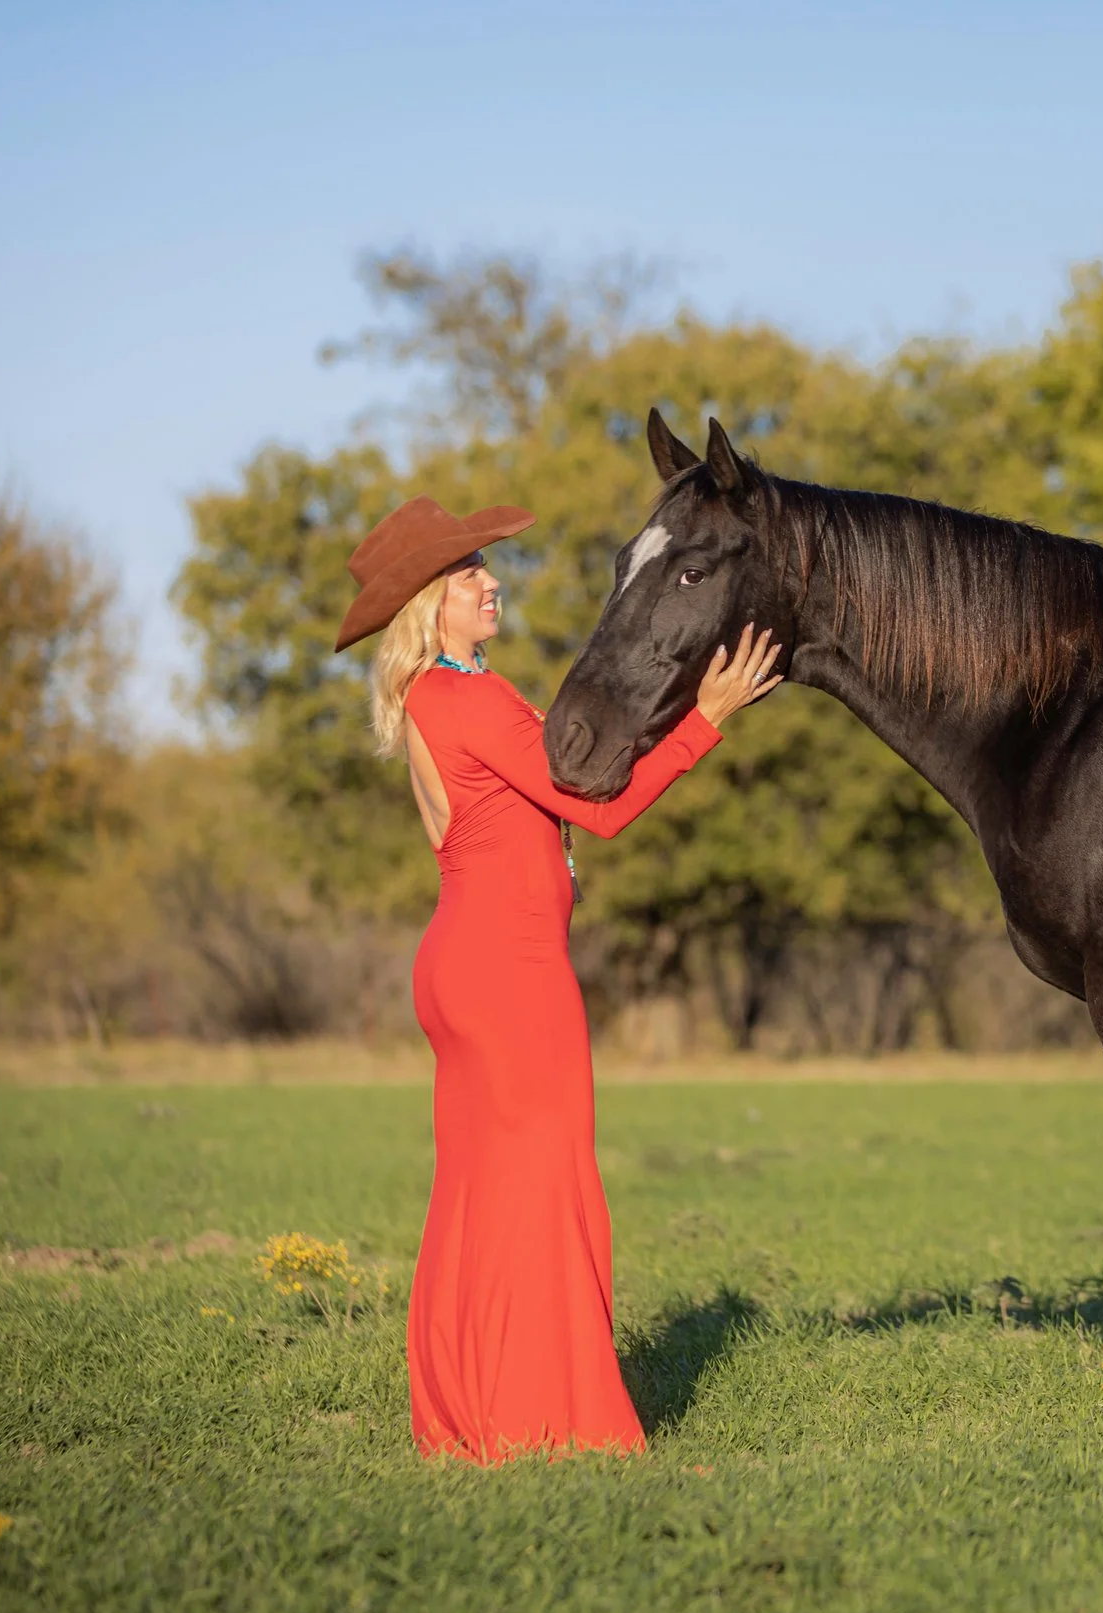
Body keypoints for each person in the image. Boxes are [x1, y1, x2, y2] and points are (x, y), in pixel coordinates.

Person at [333, 495, 781, 1463]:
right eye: (468, 574)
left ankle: (466, 1412)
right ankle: (549, 1417)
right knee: (545, 1184)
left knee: (479, 1192)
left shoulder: (431, 701)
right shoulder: (470, 700)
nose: (491, 581)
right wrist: (705, 719)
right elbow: (601, 805)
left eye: (484, 566)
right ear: (428, 605)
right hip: (510, 973)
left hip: (464, 960)